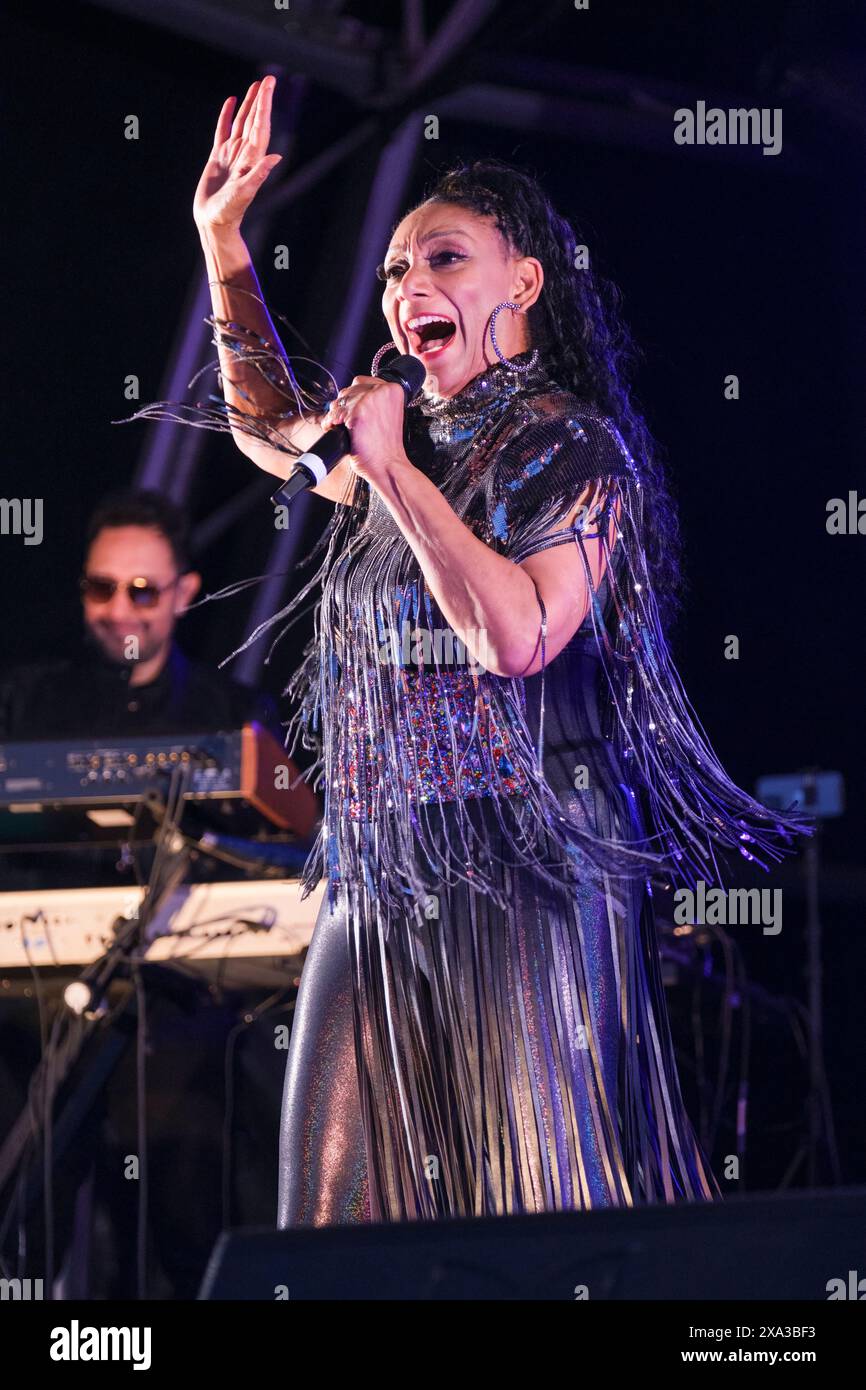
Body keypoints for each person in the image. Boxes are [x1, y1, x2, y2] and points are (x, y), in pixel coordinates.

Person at [168, 76, 808, 1223]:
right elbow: (267, 423)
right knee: (328, 1217)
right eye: (395, 272)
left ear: (521, 282)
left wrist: (396, 470)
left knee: (529, 1205)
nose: (407, 284)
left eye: (442, 260)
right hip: (380, 861)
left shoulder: (573, 450)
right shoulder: (390, 446)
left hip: (525, 860)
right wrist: (223, 243)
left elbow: (515, 635)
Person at [0, 489, 275, 741]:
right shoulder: (20, 701)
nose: (119, 611)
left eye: (143, 592)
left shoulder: (238, 718)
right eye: (101, 588)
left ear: (183, 594)